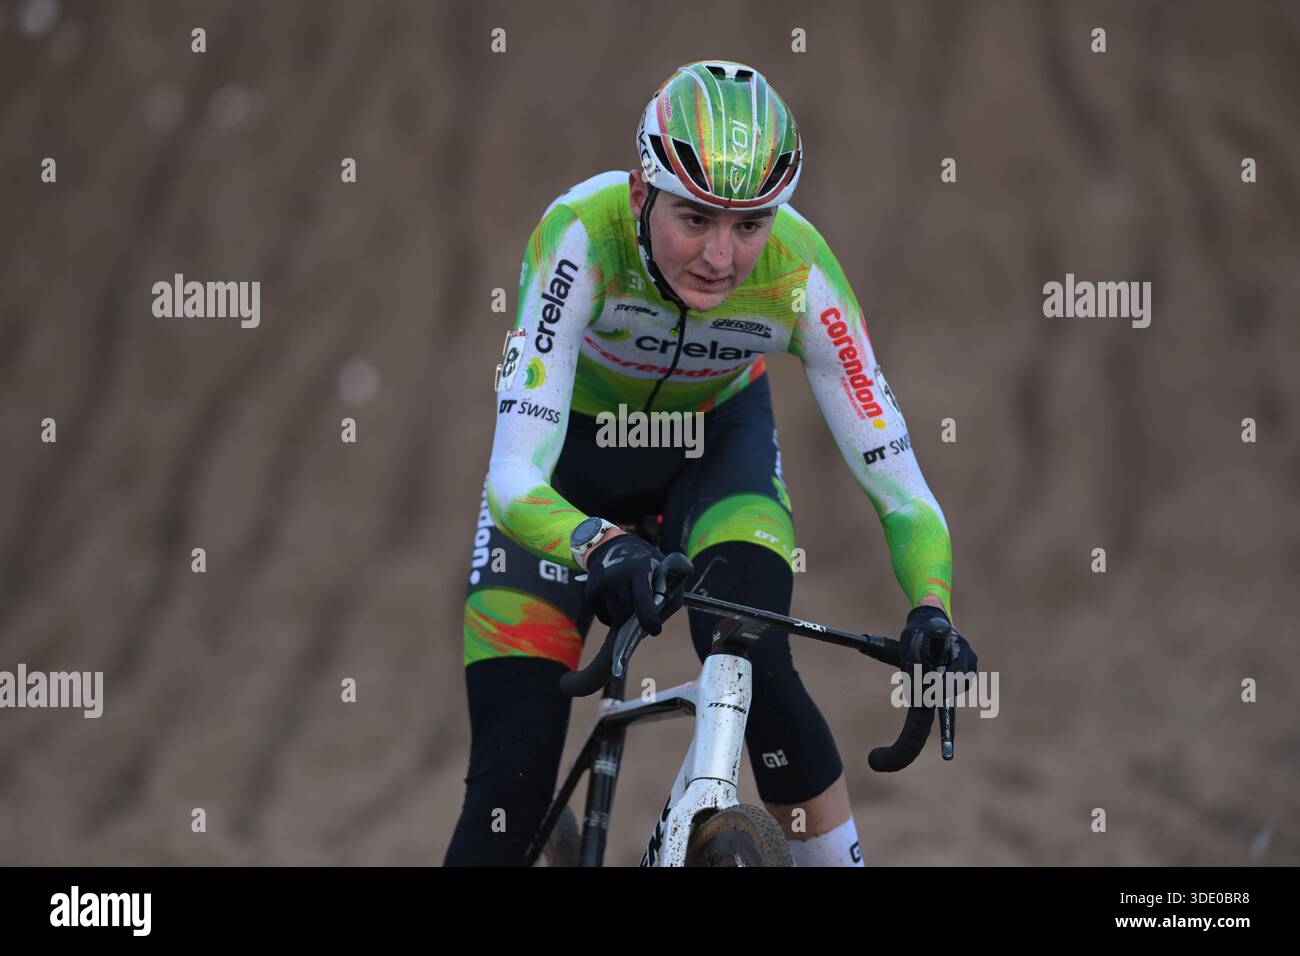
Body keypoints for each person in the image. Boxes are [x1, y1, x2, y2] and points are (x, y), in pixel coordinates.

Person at [445, 60, 964, 867]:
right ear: (641, 191)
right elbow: (514, 478)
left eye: (749, 225)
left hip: (713, 459)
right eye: (695, 218)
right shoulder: (581, 233)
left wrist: (932, 609)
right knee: (508, 786)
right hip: (567, 485)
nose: (722, 256)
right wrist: (598, 544)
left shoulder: (801, 271)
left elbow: (899, 485)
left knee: (752, 650)